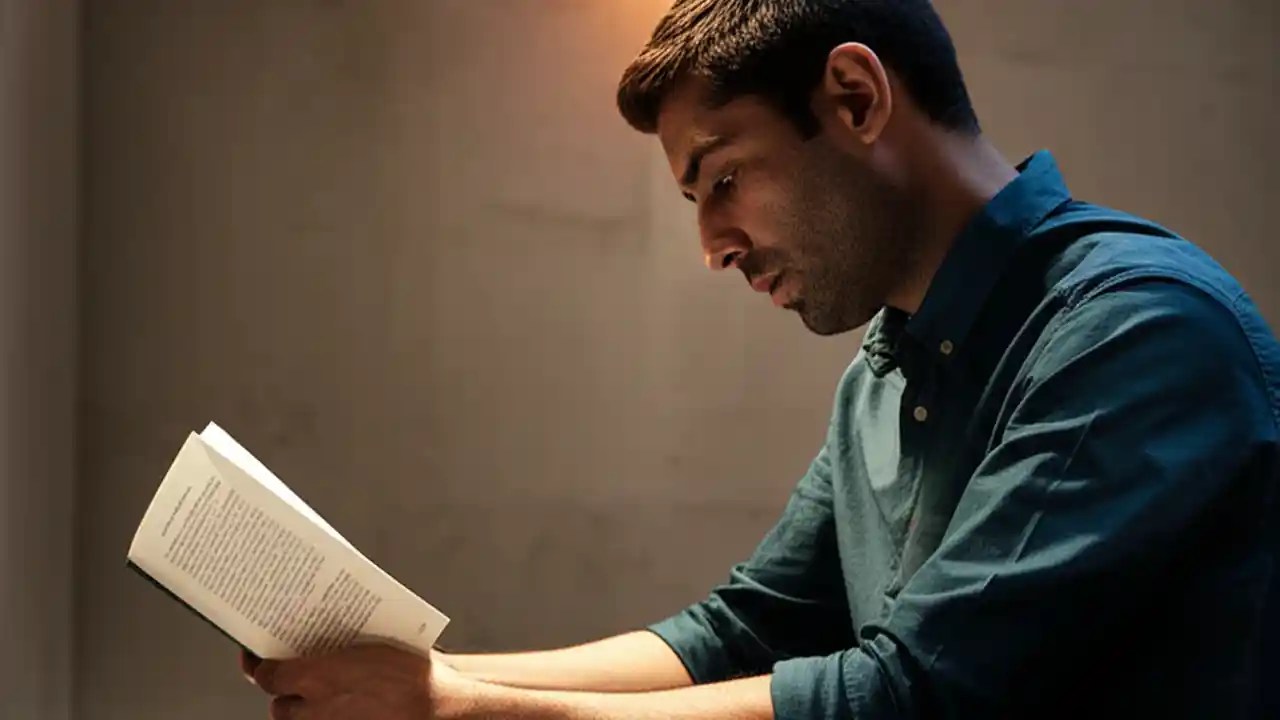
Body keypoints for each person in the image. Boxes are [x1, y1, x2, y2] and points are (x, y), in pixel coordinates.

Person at [242, 1, 1280, 718]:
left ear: (855, 98)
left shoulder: (1136, 328)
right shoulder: (884, 371)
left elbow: (914, 698)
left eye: (724, 178)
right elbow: (742, 633)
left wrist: (460, 709)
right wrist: (425, 678)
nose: (712, 246)